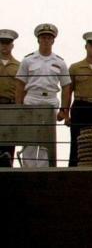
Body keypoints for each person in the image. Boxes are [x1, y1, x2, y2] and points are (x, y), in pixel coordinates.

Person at [14, 23, 69, 166]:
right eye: (43, 37)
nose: (46, 40)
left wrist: (64, 110)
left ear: (53, 40)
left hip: (50, 101)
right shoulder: (28, 60)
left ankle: (44, 172)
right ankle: (28, 171)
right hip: (32, 99)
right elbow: (20, 84)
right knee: (29, 140)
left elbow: (66, 86)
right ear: (38, 40)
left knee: (47, 141)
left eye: (49, 37)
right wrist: (18, 107)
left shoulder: (60, 62)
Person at [64, 31, 92, 166]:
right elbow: (68, 91)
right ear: (86, 47)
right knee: (76, 143)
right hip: (79, 106)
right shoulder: (75, 68)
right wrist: (65, 113)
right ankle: (72, 173)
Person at [0, 29, 21, 166]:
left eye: (7, 43)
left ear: (12, 45)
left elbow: (21, 89)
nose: (4, 46)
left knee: (9, 141)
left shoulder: (19, 66)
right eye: (2, 43)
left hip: (10, 105)